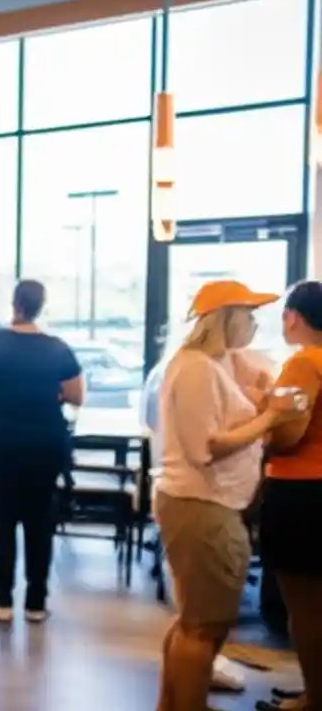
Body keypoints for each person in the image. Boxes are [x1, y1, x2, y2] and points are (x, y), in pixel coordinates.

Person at [153, 280, 301, 711]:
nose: (255, 325)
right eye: (249, 316)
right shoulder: (196, 367)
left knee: (195, 623)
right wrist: (271, 416)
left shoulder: (209, 365)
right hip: (203, 505)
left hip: (207, 503)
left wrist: (258, 401)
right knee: (205, 626)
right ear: (227, 319)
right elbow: (208, 446)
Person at [0, 279, 84, 623]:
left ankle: (2, 599)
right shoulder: (57, 349)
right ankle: (36, 602)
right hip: (45, 444)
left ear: (14, 304)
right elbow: (76, 396)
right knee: (40, 522)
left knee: (3, 520)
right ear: (41, 306)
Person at [262, 281, 322, 711]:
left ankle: (314, 699)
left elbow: (287, 436)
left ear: (293, 317)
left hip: (302, 492)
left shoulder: (304, 363)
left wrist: (261, 423)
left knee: (305, 609)